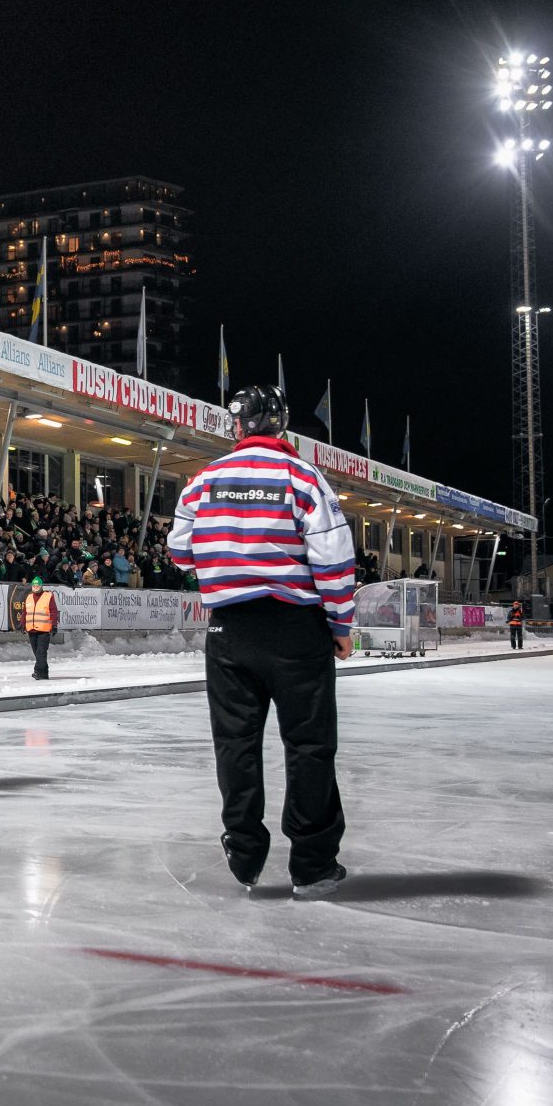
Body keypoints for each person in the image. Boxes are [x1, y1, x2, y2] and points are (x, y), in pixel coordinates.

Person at [168, 384, 356, 899]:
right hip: (297, 629)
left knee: (236, 743)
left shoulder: (203, 481)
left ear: (237, 427)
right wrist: (341, 626)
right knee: (310, 746)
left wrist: (224, 566)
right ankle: (313, 866)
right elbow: (334, 560)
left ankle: (245, 853)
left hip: (230, 631)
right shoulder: (303, 476)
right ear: (282, 425)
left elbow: (180, 550)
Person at [24, 576, 59, 680]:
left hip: (44, 629)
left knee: (41, 652)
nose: (35, 587)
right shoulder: (29, 597)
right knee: (37, 652)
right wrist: (22, 624)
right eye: (34, 585)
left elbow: (53, 611)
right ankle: (44, 673)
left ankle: (37, 672)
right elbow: (25, 612)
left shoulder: (48, 596)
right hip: (32, 629)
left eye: (37, 585)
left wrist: (54, 625)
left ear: (41, 586)